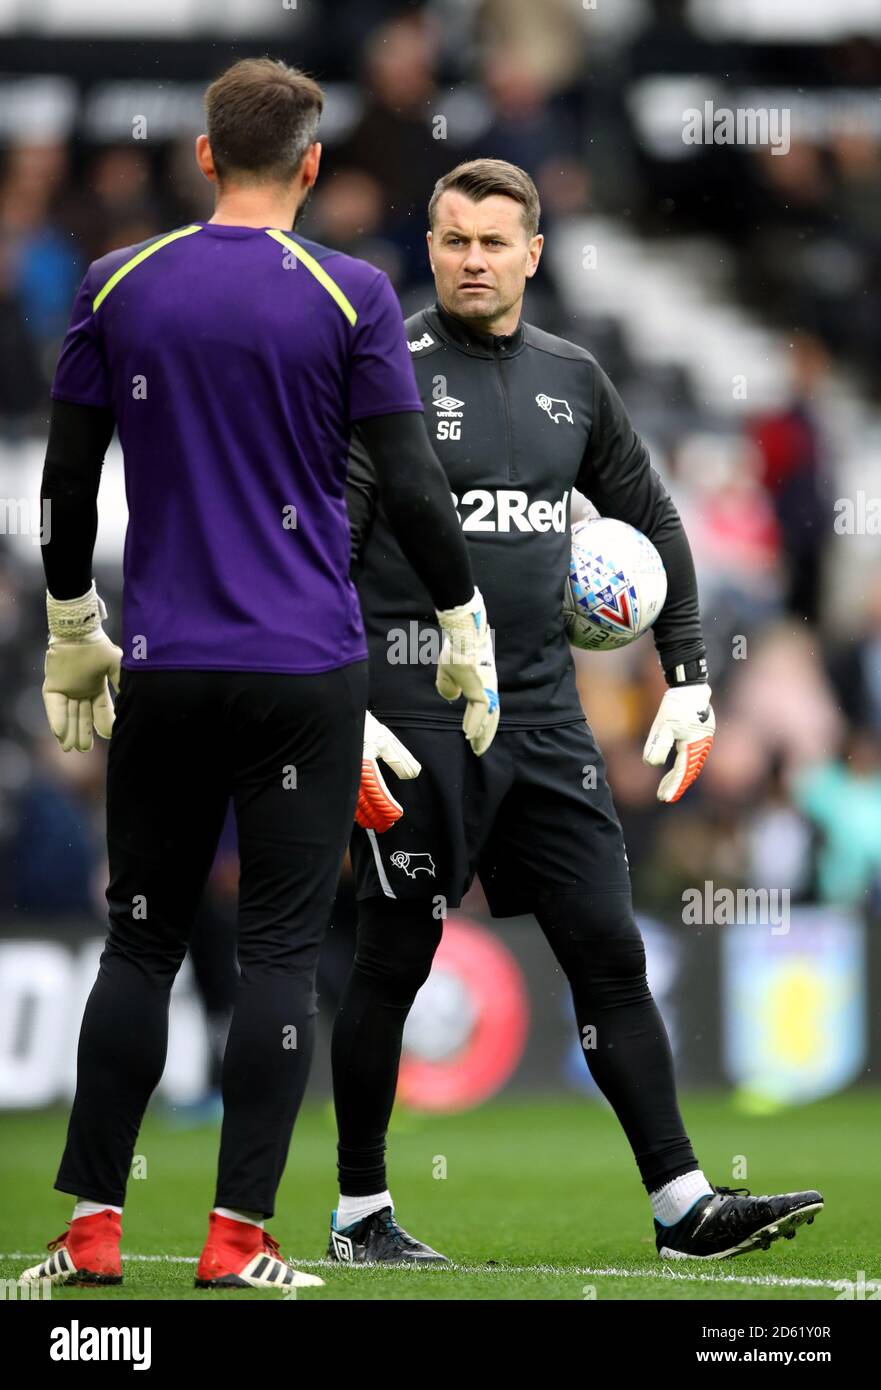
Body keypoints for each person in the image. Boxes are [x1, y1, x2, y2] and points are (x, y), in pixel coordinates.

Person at [21, 60, 499, 1294]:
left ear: (198, 154)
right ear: (311, 166)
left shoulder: (116, 282)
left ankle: (88, 1232)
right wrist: (460, 618)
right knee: (282, 955)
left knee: (138, 944)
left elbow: (68, 485)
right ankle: (238, 1242)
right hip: (306, 670)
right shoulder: (349, 294)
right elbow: (406, 483)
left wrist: (73, 620)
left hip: (167, 663)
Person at [327, 158, 823, 1265]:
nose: (469, 258)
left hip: (547, 717)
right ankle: (360, 1212)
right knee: (394, 955)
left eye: (492, 242)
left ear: (532, 254)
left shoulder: (573, 378)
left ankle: (679, 1204)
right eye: (453, 238)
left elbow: (652, 519)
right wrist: (350, 703)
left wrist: (688, 674)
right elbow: (329, 555)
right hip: (417, 711)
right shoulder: (388, 372)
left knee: (607, 950)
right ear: (437, 244)